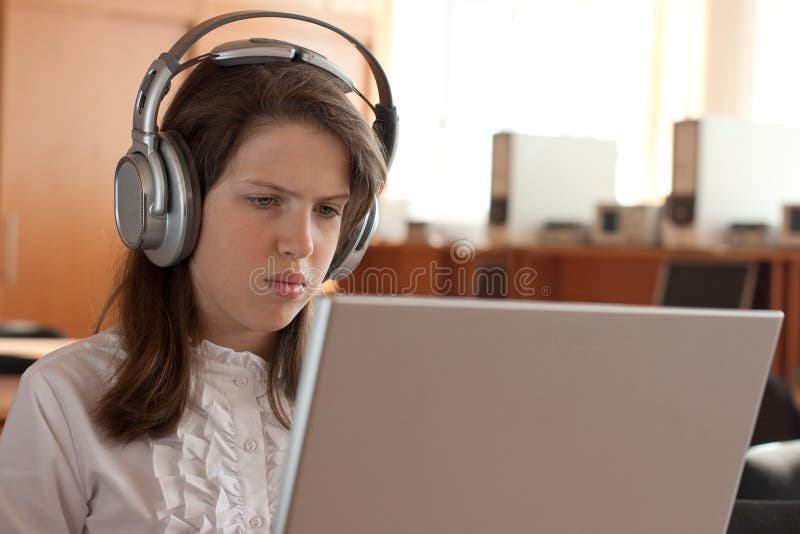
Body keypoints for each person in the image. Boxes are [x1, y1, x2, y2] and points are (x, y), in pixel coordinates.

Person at [0, 13, 391, 533]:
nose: (300, 244)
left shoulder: (377, 397)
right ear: (169, 207)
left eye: (327, 210)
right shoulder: (63, 397)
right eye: (264, 200)